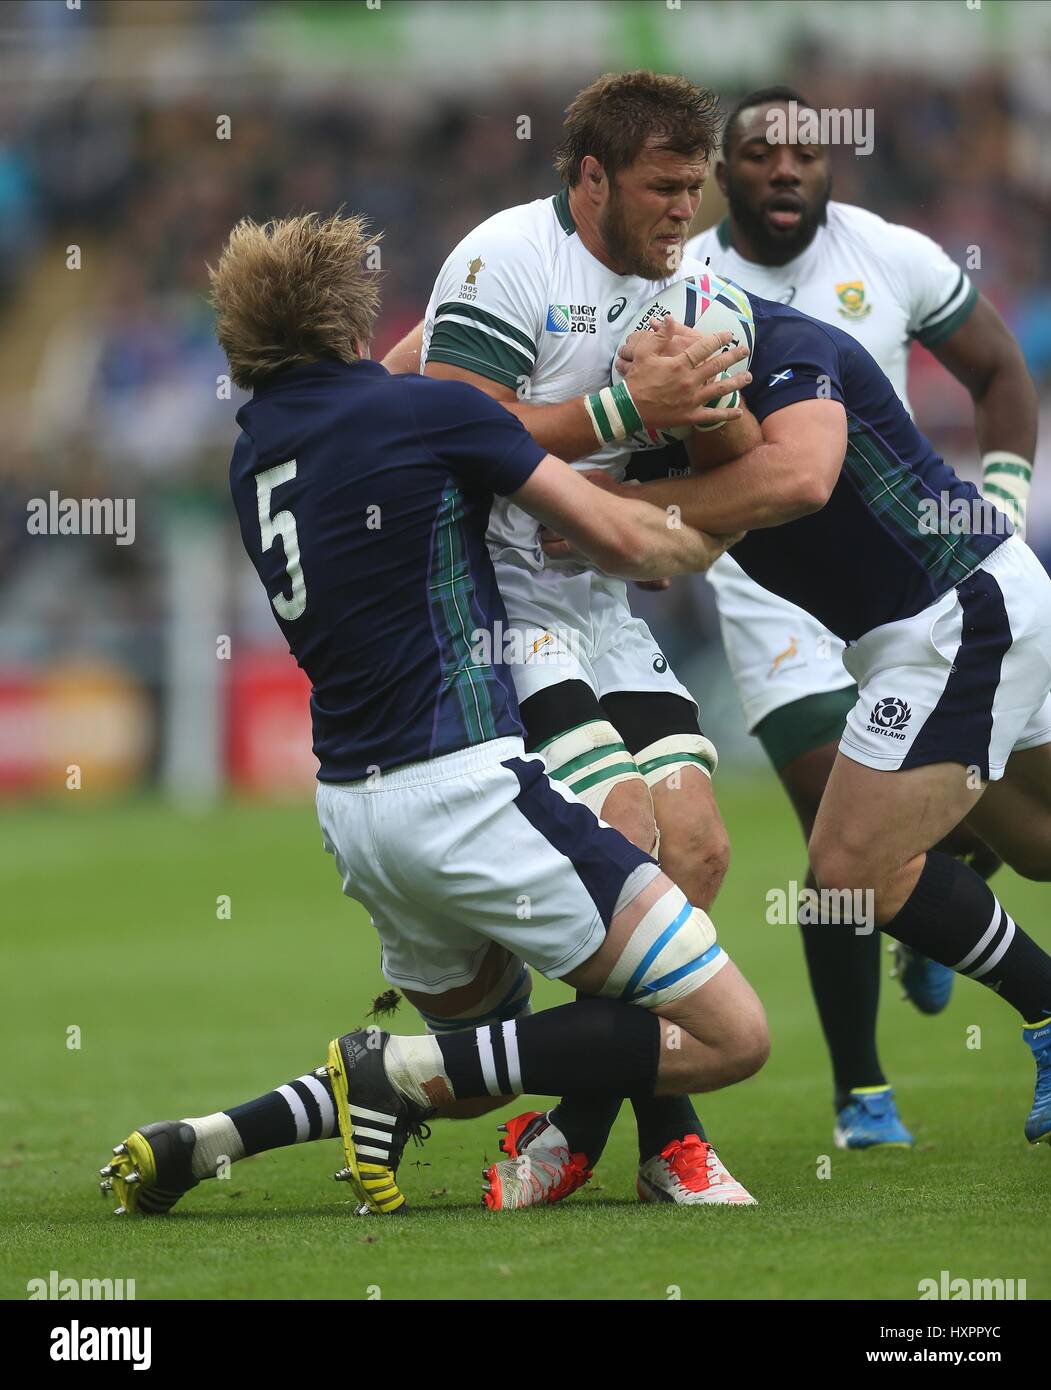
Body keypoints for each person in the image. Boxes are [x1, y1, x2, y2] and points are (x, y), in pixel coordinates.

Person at [97, 211, 769, 1219]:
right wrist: (705, 516)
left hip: (356, 821)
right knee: (730, 1036)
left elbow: (410, 389)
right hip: (470, 788)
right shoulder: (426, 418)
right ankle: (546, 1114)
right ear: (351, 318)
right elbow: (620, 539)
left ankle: (218, 1136)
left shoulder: (255, 456)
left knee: (473, 1066)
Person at [550, 285, 1051, 1155]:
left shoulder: (793, 346)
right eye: (684, 400)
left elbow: (796, 479)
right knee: (1041, 847)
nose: (699, 415)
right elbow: (670, 546)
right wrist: (610, 515)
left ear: (733, 360)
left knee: (850, 866)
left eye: (713, 395)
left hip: (957, 615)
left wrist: (633, 507)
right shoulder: (661, 406)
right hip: (949, 625)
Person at [386, 69, 760, 1208]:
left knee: (694, 851)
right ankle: (663, 1140)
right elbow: (448, 430)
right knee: (627, 838)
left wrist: (709, 402)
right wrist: (618, 412)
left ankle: (588, 1127)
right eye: (660, 187)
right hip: (502, 608)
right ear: (591, 177)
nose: (681, 212)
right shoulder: (504, 261)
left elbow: (732, 456)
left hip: (604, 608)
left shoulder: (693, 281)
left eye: (694, 188)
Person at [676, 85, 1038, 1148]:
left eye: (802, 152)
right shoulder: (685, 285)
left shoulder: (888, 255)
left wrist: (1001, 507)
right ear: (722, 175)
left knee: (957, 839)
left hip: (925, 584)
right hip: (773, 596)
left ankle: (937, 890)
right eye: (758, 153)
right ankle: (861, 1093)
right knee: (835, 837)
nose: (784, 168)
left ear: (829, 166)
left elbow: (999, 369)